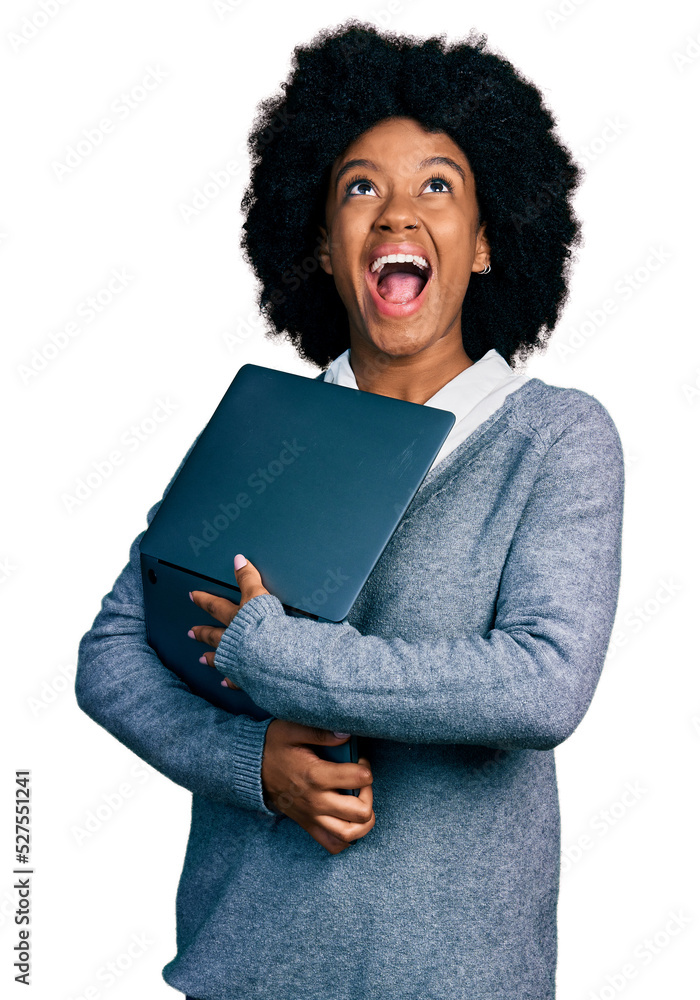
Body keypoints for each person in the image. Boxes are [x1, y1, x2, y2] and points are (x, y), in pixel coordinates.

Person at [76, 20, 625, 1000]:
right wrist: (253, 763)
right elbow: (111, 655)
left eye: (438, 187)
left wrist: (276, 655)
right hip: (243, 970)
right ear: (324, 249)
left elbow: (541, 685)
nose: (395, 213)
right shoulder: (263, 431)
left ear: (490, 239)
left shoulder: (555, 440)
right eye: (360, 186)